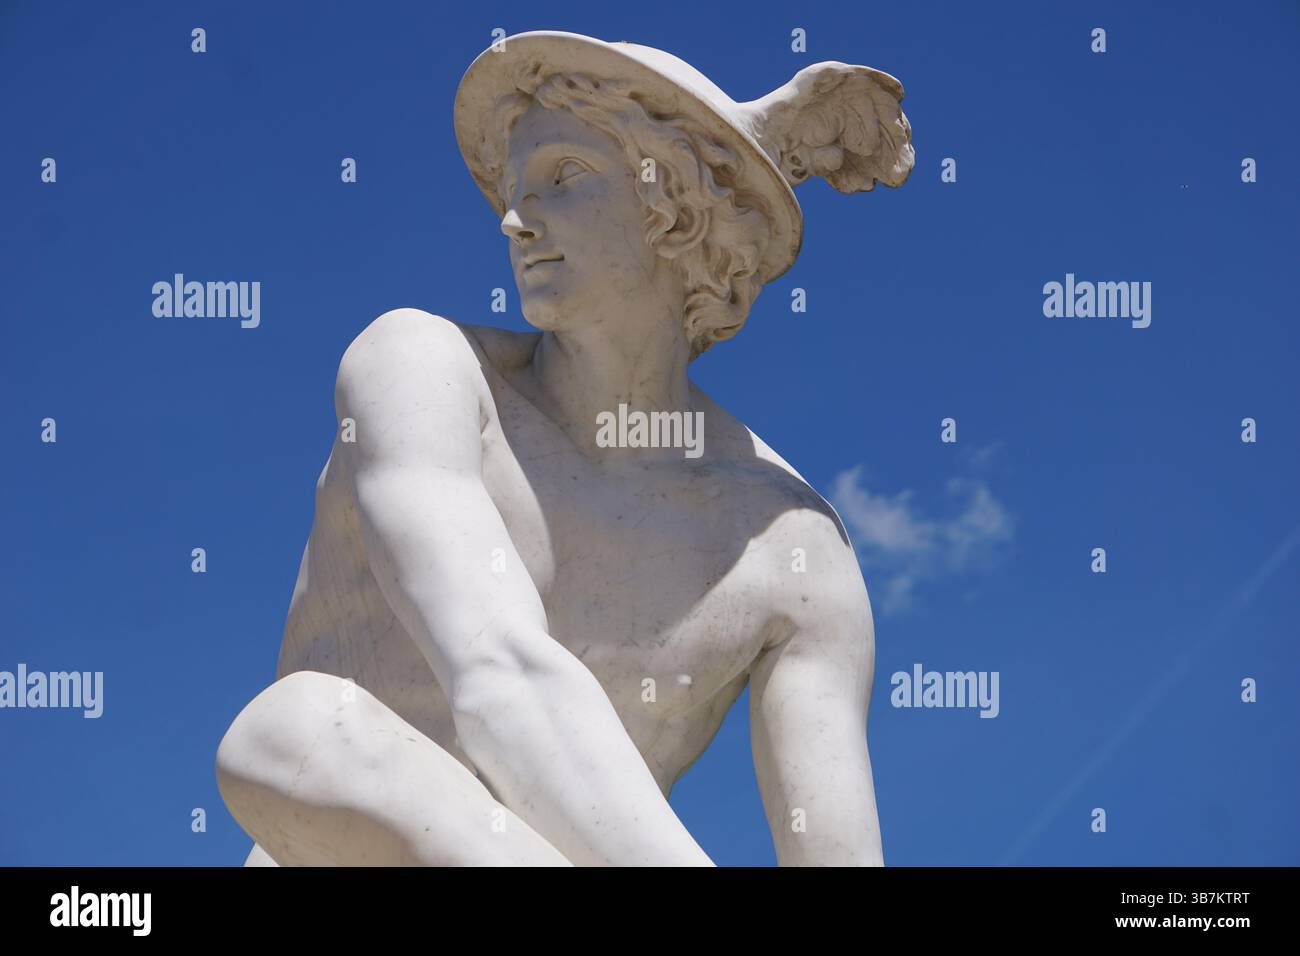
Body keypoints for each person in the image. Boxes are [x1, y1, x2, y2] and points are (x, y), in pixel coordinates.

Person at [216, 31, 914, 866]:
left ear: (679, 209)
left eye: (563, 177)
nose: (515, 219)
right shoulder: (424, 370)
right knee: (299, 726)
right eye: (513, 190)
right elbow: (496, 673)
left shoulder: (795, 552)